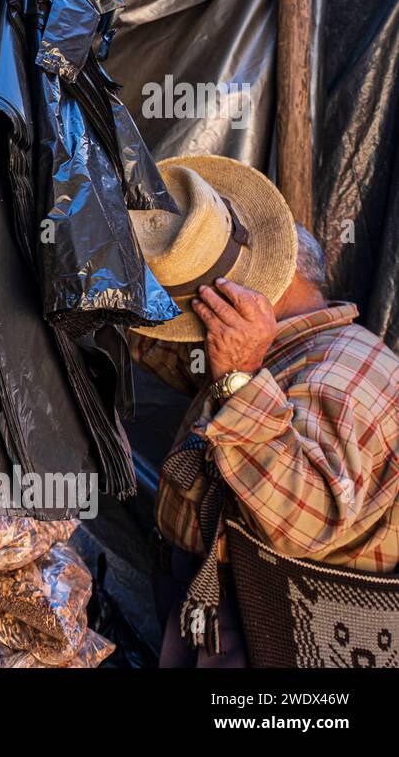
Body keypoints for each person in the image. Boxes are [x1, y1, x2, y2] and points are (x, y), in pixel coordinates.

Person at [127, 155, 399, 667]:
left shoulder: (340, 378)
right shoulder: (290, 348)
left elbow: (307, 522)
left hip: (276, 631)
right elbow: (173, 355)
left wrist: (238, 379)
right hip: (217, 606)